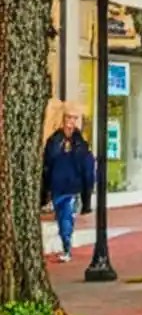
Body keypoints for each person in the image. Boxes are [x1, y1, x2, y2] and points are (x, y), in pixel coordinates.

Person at [41, 109, 93, 263]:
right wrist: (45, 191)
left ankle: (67, 249)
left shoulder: (80, 143)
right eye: (68, 118)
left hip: (73, 188)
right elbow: (47, 165)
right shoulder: (54, 141)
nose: (71, 123)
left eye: (74, 119)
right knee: (62, 218)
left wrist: (86, 196)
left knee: (66, 218)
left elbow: (87, 168)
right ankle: (66, 245)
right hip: (58, 187)